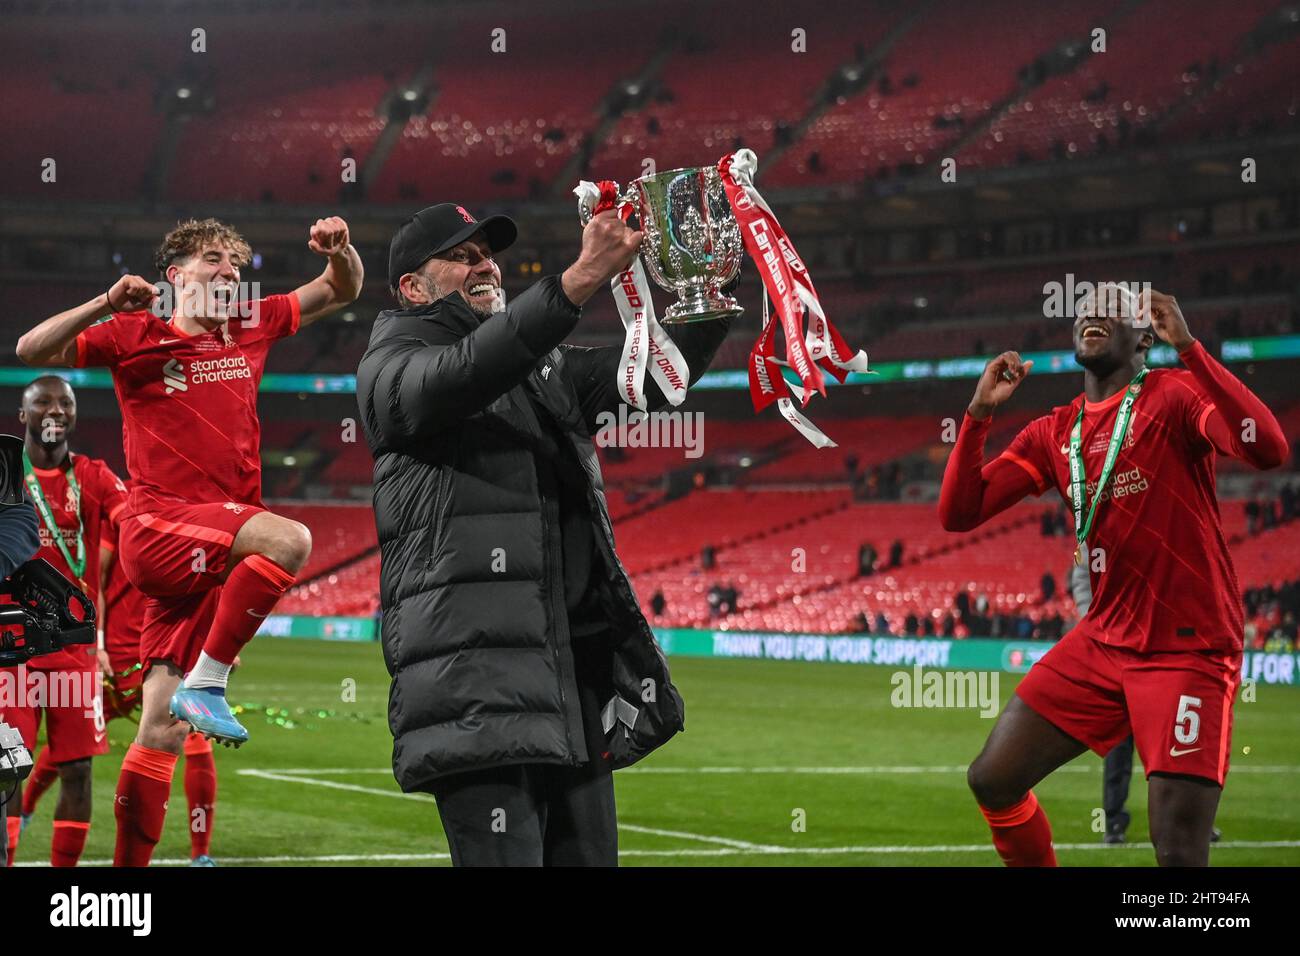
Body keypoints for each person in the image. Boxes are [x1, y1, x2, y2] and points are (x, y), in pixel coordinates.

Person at [356, 202, 733, 866]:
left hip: (567, 678)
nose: (483, 265)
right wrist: (581, 277)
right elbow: (465, 372)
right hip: (476, 682)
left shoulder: (543, 370)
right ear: (412, 288)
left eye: (487, 254)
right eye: (461, 255)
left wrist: (704, 295)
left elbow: (652, 376)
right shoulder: (393, 362)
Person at [15, 215, 362, 866]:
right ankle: (210, 682)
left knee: (161, 731)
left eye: (235, 263)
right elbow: (33, 349)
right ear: (174, 277)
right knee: (288, 541)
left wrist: (342, 253)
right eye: (213, 260)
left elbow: (338, 292)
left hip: (209, 548)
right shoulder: (133, 334)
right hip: (158, 526)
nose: (229, 272)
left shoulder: (252, 323)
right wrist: (104, 302)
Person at [939, 288, 1287, 866]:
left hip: (1186, 647)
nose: (1092, 314)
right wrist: (979, 413)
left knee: (1176, 850)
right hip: (1103, 642)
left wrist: (1191, 348)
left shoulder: (1175, 396)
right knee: (992, 778)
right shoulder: (1056, 431)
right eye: (1085, 308)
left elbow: (1269, 448)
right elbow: (959, 513)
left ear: (1144, 336)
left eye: (1111, 308)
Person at [1, 376, 125, 867]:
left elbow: (132, 517)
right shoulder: (6, 473)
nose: (55, 411)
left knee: (77, 771)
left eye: (65, 403)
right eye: (43, 403)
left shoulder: (93, 476)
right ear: (23, 416)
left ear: (75, 415)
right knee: (9, 768)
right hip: (12, 648)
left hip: (72, 651)